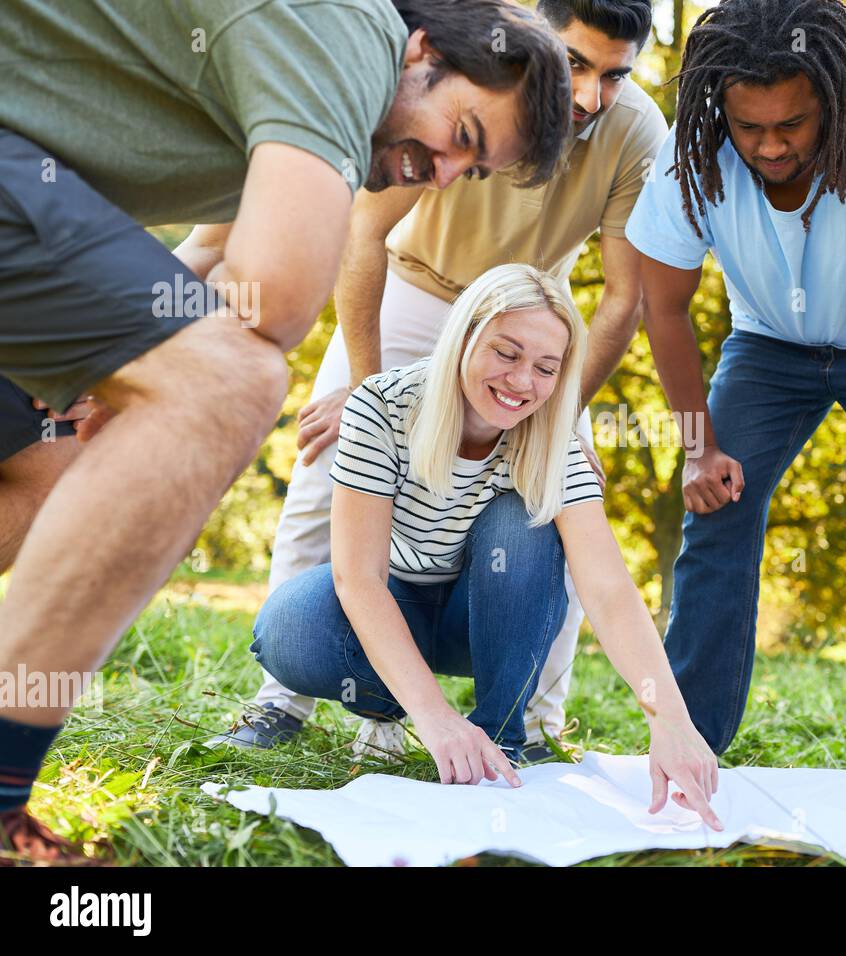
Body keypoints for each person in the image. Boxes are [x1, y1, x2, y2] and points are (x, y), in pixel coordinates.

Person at [0, 0, 572, 864]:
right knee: (231, 378)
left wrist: (124, 379)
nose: (443, 172)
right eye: (460, 130)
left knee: (46, 467)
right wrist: (157, 373)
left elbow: (201, 259)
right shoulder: (343, 34)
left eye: (472, 168)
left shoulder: (300, 105)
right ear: (423, 48)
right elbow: (271, 293)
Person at [217, 0, 667, 762]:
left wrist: (558, 416)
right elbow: (365, 230)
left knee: (553, 503)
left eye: (615, 75)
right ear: (535, 32)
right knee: (325, 472)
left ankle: (531, 722)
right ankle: (279, 703)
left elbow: (624, 295)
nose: (590, 97)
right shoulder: (476, 82)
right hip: (413, 291)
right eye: (576, 65)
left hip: (526, 322)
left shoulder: (635, 133)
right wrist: (367, 393)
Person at [625, 0, 846, 774]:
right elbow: (666, 308)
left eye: (793, 123)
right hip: (767, 348)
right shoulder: (691, 155)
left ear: (835, 98)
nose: (771, 145)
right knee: (714, 514)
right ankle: (687, 745)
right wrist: (697, 449)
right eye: (751, 128)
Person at [252, 263, 722, 826]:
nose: (523, 382)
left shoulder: (554, 441)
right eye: (507, 353)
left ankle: (502, 736)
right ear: (465, 337)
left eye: (546, 368)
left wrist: (669, 719)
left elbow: (609, 590)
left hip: (481, 621)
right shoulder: (382, 406)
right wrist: (435, 718)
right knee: (289, 628)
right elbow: (359, 578)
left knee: (520, 520)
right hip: (391, 601)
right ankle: (389, 710)